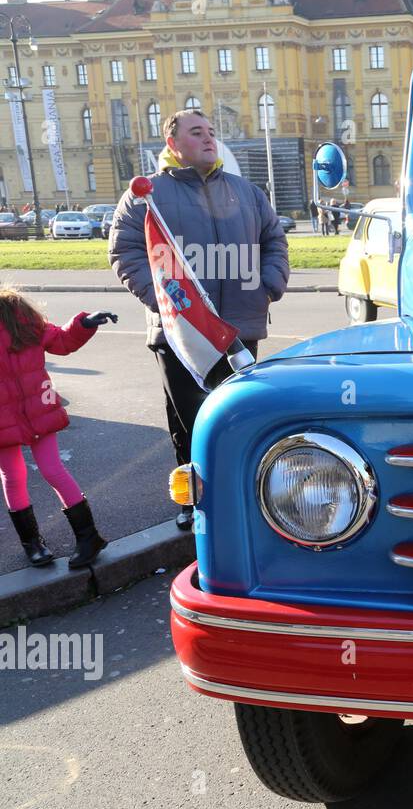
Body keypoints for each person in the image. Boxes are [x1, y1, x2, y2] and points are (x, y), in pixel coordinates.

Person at [108, 108, 289, 530]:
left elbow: (274, 240)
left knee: (239, 417)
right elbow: (126, 252)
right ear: (173, 145)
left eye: (210, 132)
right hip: (180, 333)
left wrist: (268, 285)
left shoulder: (245, 192)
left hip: (238, 331)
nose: (209, 139)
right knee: (190, 423)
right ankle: (194, 504)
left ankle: (242, 497)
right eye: (196, 132)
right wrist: (164, 301)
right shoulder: (146, 194)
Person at [0, 290, 117, 568]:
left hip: (38, 409)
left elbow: (60, 340)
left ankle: (89, 538)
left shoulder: (16, 312)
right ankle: (33, 545)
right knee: (13, 477)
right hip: (3, 416)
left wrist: (84, 323)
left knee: (53, 470)